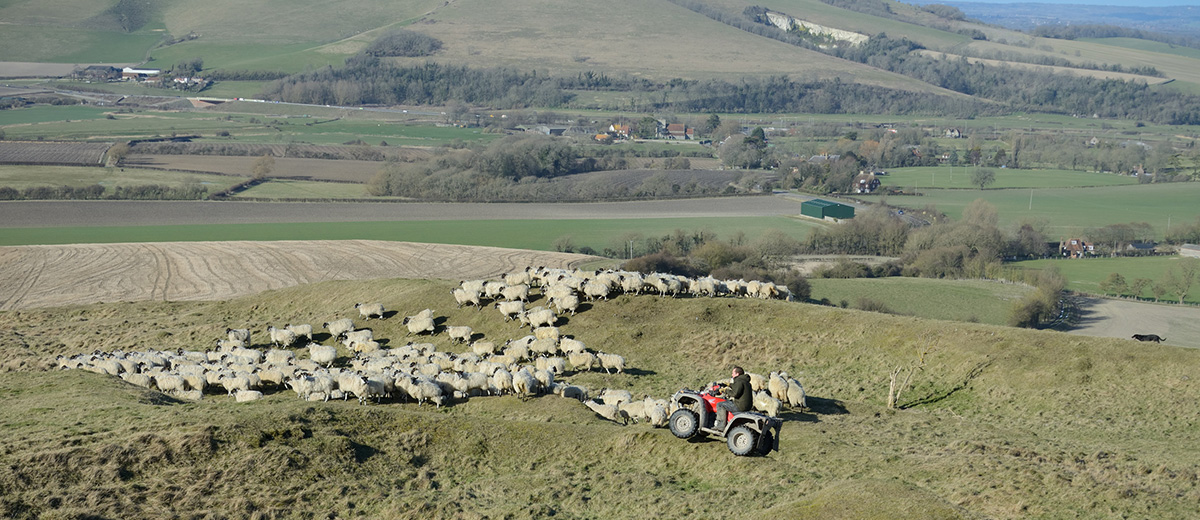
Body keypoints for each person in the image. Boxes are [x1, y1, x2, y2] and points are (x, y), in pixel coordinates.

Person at [714, 366, 751, 430]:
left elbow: (735, 393)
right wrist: (729, 384)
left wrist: (725, 390)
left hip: (740, 406)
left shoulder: (739, 381)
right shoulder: (744, 381)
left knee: (720, 405)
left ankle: (721, 425)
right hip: (746, 406)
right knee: (727, 402)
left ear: (737, 374)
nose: (732, 375)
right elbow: (738, 388)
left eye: (733, 373)